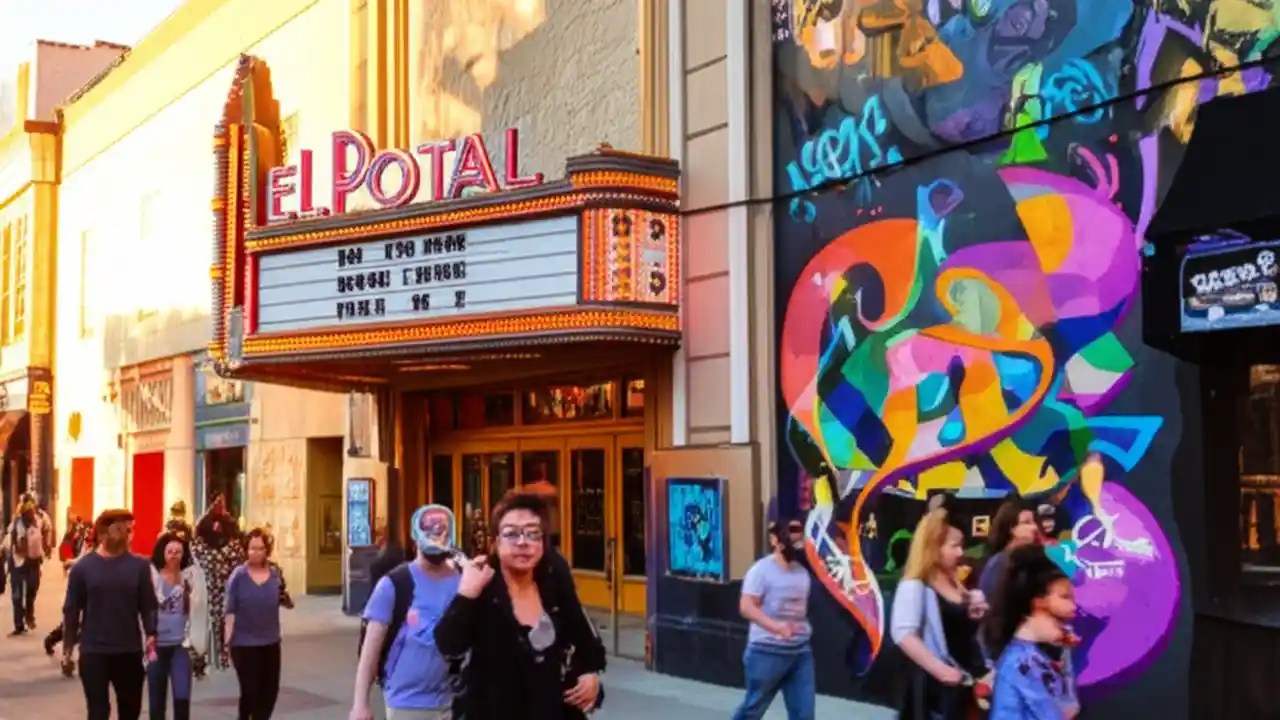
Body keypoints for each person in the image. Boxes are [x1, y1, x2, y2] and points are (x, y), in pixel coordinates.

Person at [434, 492, 605, 719]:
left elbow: (581, 630)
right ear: (496, 542)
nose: (523, 542)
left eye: (533, 533)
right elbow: (448, 644)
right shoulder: (481, 583)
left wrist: (589, 671)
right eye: (511, 533)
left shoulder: (554, 579)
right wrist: (467, 593)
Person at [351, 504, 461, 720]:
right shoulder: (395, 584)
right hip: (406, 702)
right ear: (415, 537)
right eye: (429, 532)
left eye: (442, 531)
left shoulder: (464, 581)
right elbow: (371, 648)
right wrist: (360, 703)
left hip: (454, 700)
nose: (436, 539)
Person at [890, 505, 990, 720]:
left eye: (962, 546)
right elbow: (903, 634)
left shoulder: (954, 581)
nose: (961, 553)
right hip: (934, 691)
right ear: (934, 547)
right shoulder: (915, 584)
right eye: (954, 546)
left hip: (965, 683)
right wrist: (941, 671)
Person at [63, 509, 159, 720]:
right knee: (98, 711)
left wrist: (151, 633)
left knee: (130, 710)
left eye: (129, 530)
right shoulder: (83, 568)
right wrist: (67, 648)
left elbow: (148, 604)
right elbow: (71, 609)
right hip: (94, 652)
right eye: (121, 529)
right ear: (103, 532)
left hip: (129, 651)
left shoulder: (140, 566)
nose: (126, 535)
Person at [730, 518, 814, 720]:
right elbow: (746, 607)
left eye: (798, 531)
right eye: (790, 531)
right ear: (774, 540)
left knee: (804, 715)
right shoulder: (760, 571)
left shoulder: (802, 573)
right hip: (766, 652)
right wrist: (777, 627)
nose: (795, 536)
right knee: (752, 710)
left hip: (800, 653)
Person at [988, 545, 1080, 719]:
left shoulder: (1033, 657)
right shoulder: (1022, 663)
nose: (1063, 629)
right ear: (1038, 603)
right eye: (1065, 596)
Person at [225, 527, 292, 720]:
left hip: (270, 642)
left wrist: (286, 599)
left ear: (266, 551)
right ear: (246, 550)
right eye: (252, 548)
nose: (256, 552)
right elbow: (229, 609)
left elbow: (286, 601)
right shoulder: (239, 575)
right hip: (244, 644)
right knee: (250, 691)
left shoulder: (275, 574)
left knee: (270, 691)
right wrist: (227, 639)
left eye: (260, 548)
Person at [148, 532, 208, 720]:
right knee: (156, 701)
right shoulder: (152, 577)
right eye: (170, 551)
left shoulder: (188, 578)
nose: (174, 555)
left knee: (182, 698)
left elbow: (198, 608)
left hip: (180, 646)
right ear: (163, 552)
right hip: (156, 647)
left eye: (178, 552)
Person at [192, 493, 245, 671]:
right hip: (209, 586)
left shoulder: (229, 536)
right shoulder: (203, 536)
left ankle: (220, 654)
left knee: (222, 618)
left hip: (222, 587)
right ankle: (209, 654)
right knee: (209, 619)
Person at [2, 492, 51, 634]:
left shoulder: (40, 519)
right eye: (28, 509)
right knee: (17, 595)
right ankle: (19, 624)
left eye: (32, 508)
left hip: (33, 561)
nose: (31, 512)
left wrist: (46, 547)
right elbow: (11, 539)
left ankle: (29, 614)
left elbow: (47, 531)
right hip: (18, 562)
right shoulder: (17, 523)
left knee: (32, 590)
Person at [978, 498, 1040, 602]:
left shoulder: (1028, 558)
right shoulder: (999, 563)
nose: (1035, 527)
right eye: (1027, 523)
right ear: (1011, 528)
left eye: (1034, 522)